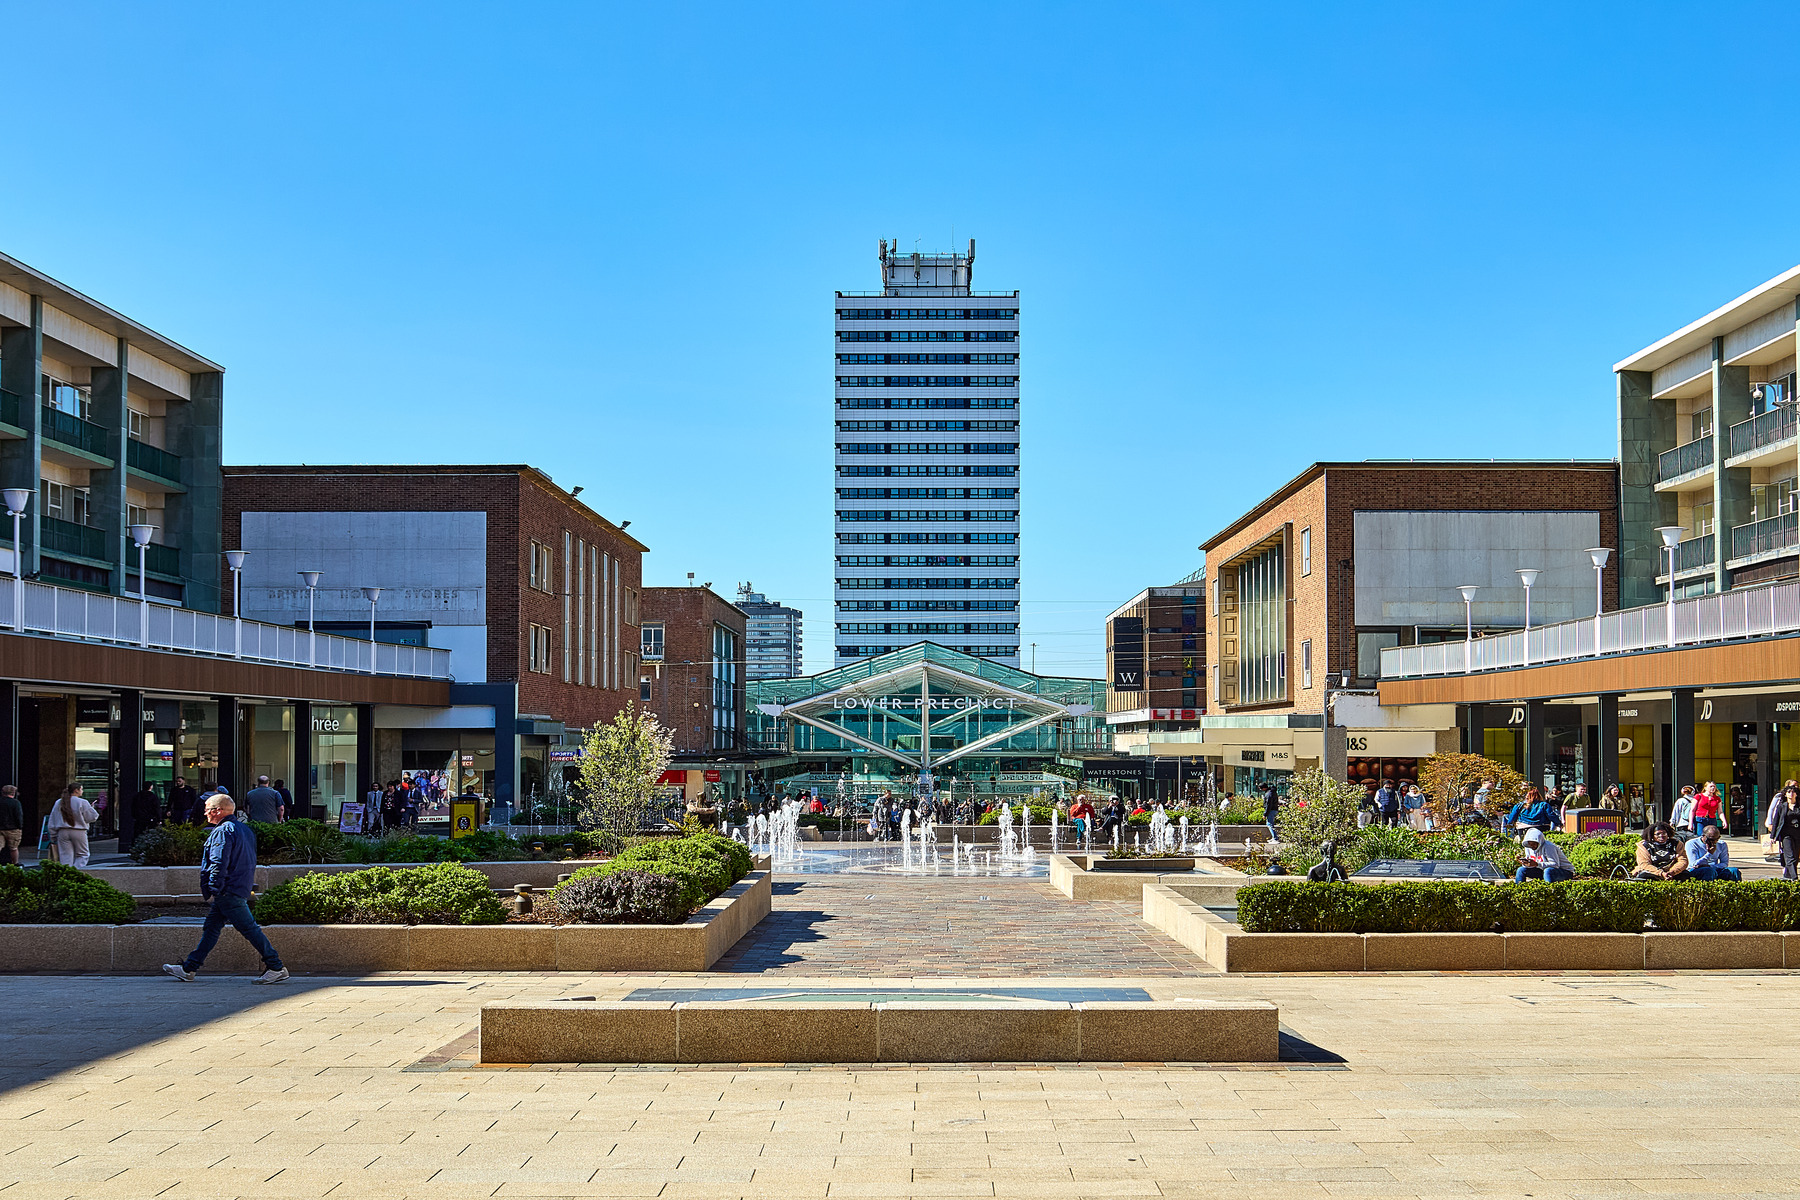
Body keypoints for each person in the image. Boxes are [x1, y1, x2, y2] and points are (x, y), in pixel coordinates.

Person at [162, 794, 287, 984]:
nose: (204, 813)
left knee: (248, 929)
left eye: (207, 809)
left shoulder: (222, 831)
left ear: (217, 811)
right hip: (237, 887)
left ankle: (276, 966)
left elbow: (218, 862)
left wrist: (214, 887)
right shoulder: (243, 829)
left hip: (228, 890)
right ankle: (189, 968)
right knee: (212, 928)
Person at [46, 784, 99, 868]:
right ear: (76, 790)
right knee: (83, 854)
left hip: (62, 831)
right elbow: (92, 817)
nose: (82, 791)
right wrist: (92, 808)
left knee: (65, 856)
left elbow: (53, 819)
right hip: (78, 831)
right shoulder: (82, 802)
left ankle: (67, 873)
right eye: (81, 789)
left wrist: (53, 835)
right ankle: (76, 871)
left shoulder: (59, 802)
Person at [1771, 789, 1800, 881]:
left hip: (1797, 833)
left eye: (1793, 792)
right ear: (1785, 794)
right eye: (1788, 792)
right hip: (1786, 834)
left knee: (1795, 857)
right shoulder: (1782, 806)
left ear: (1796, 794)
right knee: (1789, 856)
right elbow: (1776, 821)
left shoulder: (1798, 806)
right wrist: (1773, 836)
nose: (1791, 794)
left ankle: (1788, 876)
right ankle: (1795, 878)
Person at [0, 784, 22, 866]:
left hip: (0, 828)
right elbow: (18, 816)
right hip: (13, 828)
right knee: (14, 848)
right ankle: (15, 864)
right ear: (13, 793)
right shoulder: (15, 803)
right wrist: (20, 826)